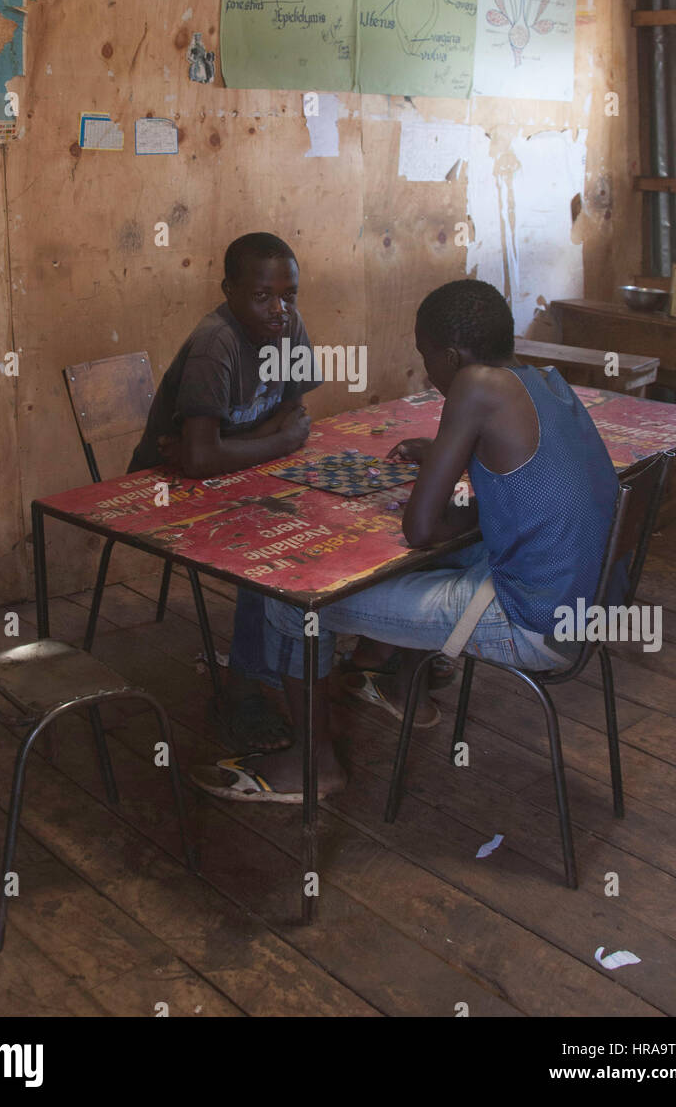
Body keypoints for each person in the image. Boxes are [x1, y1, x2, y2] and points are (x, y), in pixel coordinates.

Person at [192, 278, 621, 803]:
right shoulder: (548, 381)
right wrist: (449, 453)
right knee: (445, 553)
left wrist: (446, 457)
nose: (428, 373)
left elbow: (419, 528)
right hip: (589, 610)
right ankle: (402, 691)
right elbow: (522, 499)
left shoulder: (475, 385)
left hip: (531, 624)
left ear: (452, 354)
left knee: (296, 603)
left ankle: (314, 766)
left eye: (426, 358)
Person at [128, 231, 321, 750]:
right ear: (229, 291)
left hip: (231, 471)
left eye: (290, 294)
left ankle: (277, 664)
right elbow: (194, 462)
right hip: (160, 490)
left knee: (311, 526)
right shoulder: (218, 342)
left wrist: (244, 445)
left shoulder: (290, 325)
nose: (279, 309)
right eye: (262, 296)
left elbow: (292, 413)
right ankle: (242, 691)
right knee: (263, 545)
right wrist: (273, 442)